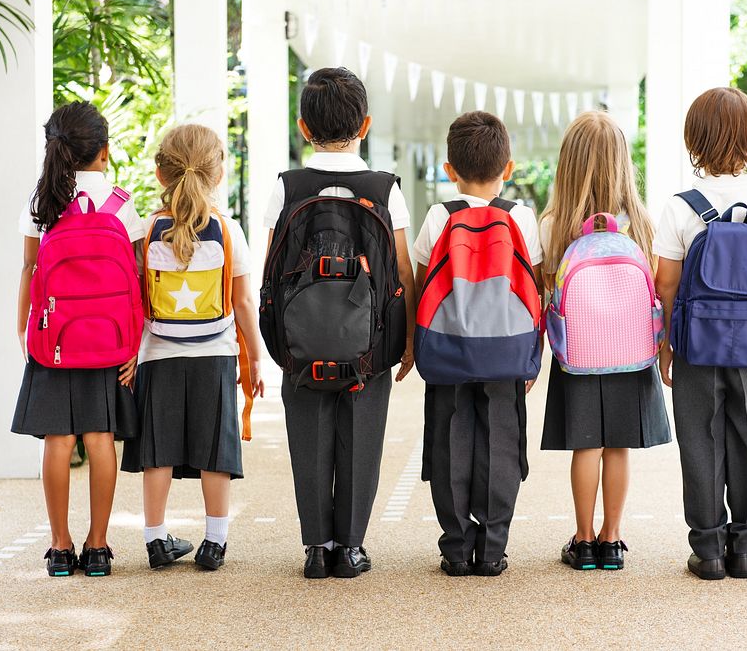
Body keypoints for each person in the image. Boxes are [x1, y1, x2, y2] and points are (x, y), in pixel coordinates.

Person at [262, 67, 417, 579]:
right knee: (363, 437)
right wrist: (408, 339)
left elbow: (271, 275)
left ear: (303, 128)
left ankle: (316, 547)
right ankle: (350, 547)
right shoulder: (384, 189)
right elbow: (400, 272)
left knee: (307, 435)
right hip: (367, 345)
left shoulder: (286, 189)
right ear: (365, 124)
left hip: (301, 343)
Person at [121, 124, 265, 571]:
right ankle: (214, 543)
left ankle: (156, 541)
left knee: (158, 449)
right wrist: (255, 357)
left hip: (158, 354)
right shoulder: (228, 229)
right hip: (215, 353)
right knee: (214, 449)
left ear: (161, 175)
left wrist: (130, 349)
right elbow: (242, 301)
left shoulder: (146, 232)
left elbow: (134, 298)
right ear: (218, 174)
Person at [655, 87, 747, 580]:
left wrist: (667, 344)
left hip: (697, 344)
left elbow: (666, 283)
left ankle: (707, 550)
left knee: (700, 439)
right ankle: (745, 549)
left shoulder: (682, 207)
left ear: (695, 139)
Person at [12, 101, 143, 577]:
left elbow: (29, 268)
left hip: (54, 339)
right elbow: (137, 276)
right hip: (110, 340)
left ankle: (61, 547)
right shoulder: (121, 204)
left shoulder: (41, 201)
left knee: (59, 439)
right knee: (101, 436)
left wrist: (24, 329)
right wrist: (135, 344)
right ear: (104, 153)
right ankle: (99, 547)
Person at [538, 111, 671, 571]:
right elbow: (652, 282)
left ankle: (583, 539)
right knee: (618, 447)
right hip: (631, 352)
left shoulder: (555, 223)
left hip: (578, 350)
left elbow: (547, 285)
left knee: (587, 446)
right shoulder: (640, 221)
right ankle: (613, 540)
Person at [413, 111, 543, 577]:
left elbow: (420, 279)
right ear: (508, 168)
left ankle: (455, 548)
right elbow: (535, 285)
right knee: (502, 443)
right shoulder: (521, 218)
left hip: (448, 346)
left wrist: (414, 346)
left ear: (449, 170)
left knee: (450, 439)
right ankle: (492, 550)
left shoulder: (438, 216)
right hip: (507, 351)